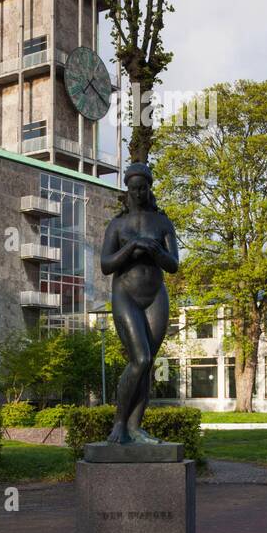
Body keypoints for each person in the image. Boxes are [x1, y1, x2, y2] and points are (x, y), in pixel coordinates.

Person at [99, 162, 179, 444]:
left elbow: (174, 264)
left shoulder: (162, 222)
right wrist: (131, 247)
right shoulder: (118, 225)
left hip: (155, 296)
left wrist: (157, 252)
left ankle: (135, 428)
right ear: (128, 190)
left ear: (149, 188)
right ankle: (119, 424)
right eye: (134, 188)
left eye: (143, 187)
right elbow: (106, 265)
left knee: (148, 363)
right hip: (126, 295)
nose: (139, 192)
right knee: (140, 358)